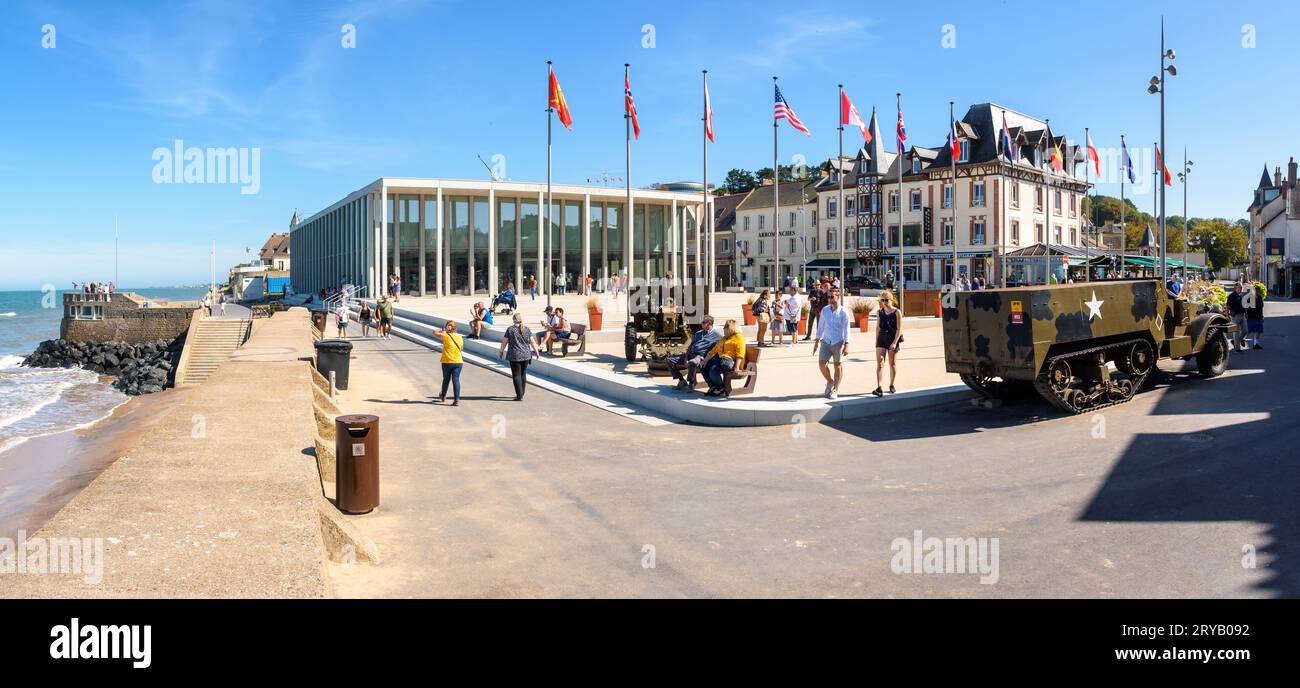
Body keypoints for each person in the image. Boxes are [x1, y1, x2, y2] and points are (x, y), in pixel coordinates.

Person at [812, 288, 850, 399]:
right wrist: (817, 340)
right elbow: (821, 326)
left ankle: (835, 390)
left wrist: (847, 344)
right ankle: (830, 381)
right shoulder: (825, 310)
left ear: (838, 297)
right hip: (826, 341)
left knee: (837, 365)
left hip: (838, 341)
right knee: (822, 364)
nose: (830, 299)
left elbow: (846, 329)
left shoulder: (843, 312)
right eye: (828, 297)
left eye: (832, 297)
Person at [665, 315, 720, 391]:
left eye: (703, 322)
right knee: (669, 360)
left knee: (692, 362)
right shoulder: (698, 333)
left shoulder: (717, 336)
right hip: (690, 354)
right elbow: (690, 346)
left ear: (709, 323)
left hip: (699, 356)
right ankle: (681, 380)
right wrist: (686, 358)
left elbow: (719, 348)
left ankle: (691, 382)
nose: (701, 324)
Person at [498, 313, 541, 401]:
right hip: (526, 355)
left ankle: (519, 395)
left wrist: (501, 351)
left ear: (514, 320)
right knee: (523, 374)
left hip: (514, 355)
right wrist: (536, 352)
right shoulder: (527, 329)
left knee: (516, 375)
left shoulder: (510, 329)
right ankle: (522, 393)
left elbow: (504, 342)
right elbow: (532, 342)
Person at [702, 319, 746, 397]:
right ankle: (713, 386)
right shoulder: (724, 338)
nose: (723, 328)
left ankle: (720, 387)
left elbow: (740, 354)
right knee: (703, 367)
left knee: (713, 371)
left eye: (725, 326)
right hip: (719, 360)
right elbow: (713, 350)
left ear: (731, 328)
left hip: (729, 362)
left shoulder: (739, 337)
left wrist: (737, 367)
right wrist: (705, 360)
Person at [873, 290, 902, 397]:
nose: (884, 302)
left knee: (892, 364)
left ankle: (891, 384)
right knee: (880, 363)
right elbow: (878, 327)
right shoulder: (879, 312)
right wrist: (876, 340)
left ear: (891, 300)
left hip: (892, 338)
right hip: (882, 338)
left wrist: (894, 342)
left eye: (886, 300)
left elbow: (899, 329)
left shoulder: (897, 312)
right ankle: (879, 387)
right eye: (882, 300)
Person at [430, 321, 464, 406]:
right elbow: (461, 348)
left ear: (448, 327)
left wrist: (442, 329)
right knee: (456, 380)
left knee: (446, 379)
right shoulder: (460, 337)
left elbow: (434, 332)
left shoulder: (445, 336)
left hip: (447, 361)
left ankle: (443, 395)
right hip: (458, 361)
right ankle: (456, 400)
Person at [1246, 282, 1265, 350]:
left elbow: (1261, 307)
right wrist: (1246, 315)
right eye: (1255, 290)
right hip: (1251, 317)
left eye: (1258, 290)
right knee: (1247, 331)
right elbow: (1245, 308)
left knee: (1258, 331)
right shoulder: (1249, 298)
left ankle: (1255, 344)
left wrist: (1262, 315)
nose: (1257, 291)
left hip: (1259, 317)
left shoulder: (1260, 297)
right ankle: (1240, 340)